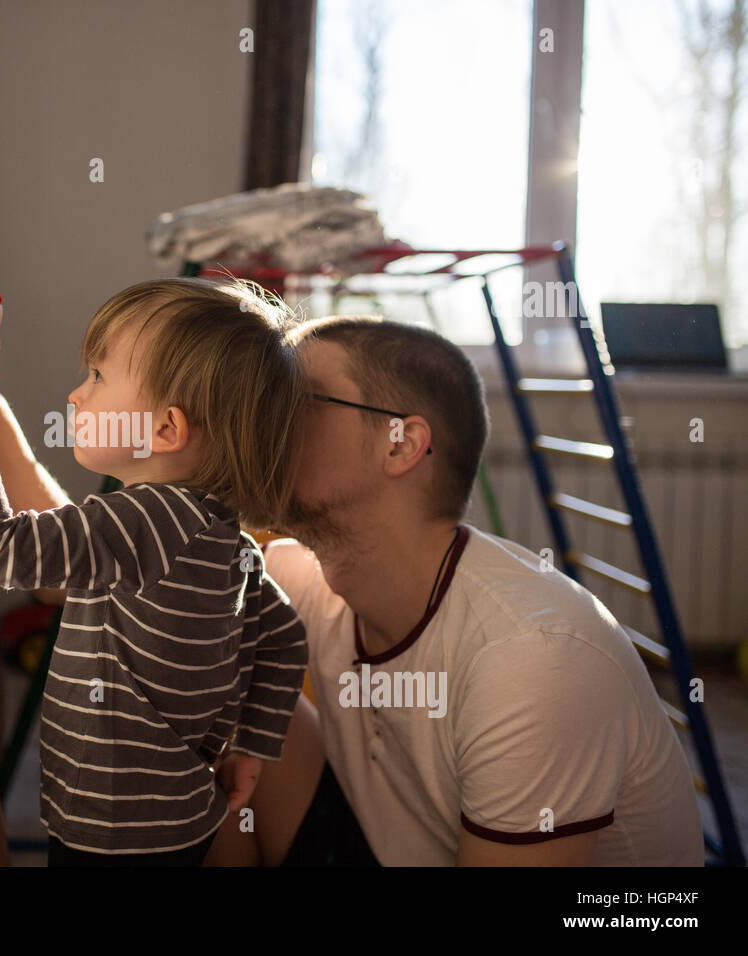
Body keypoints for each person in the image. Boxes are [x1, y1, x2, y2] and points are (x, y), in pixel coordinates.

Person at [204, 315, 704, 866]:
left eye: (297, 402)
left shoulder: (534, 658)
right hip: (395, 845)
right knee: (205, 716)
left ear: (402, 445)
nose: (262, 425)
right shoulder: (298, 580)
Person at [0, 275, 310, 864]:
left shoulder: (148, 519)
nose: (76, 396)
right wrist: (249, 746)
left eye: (97, 377)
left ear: (167, 429)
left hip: (115, 831)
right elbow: (284, 635)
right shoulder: (212, 529)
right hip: (171, 820)